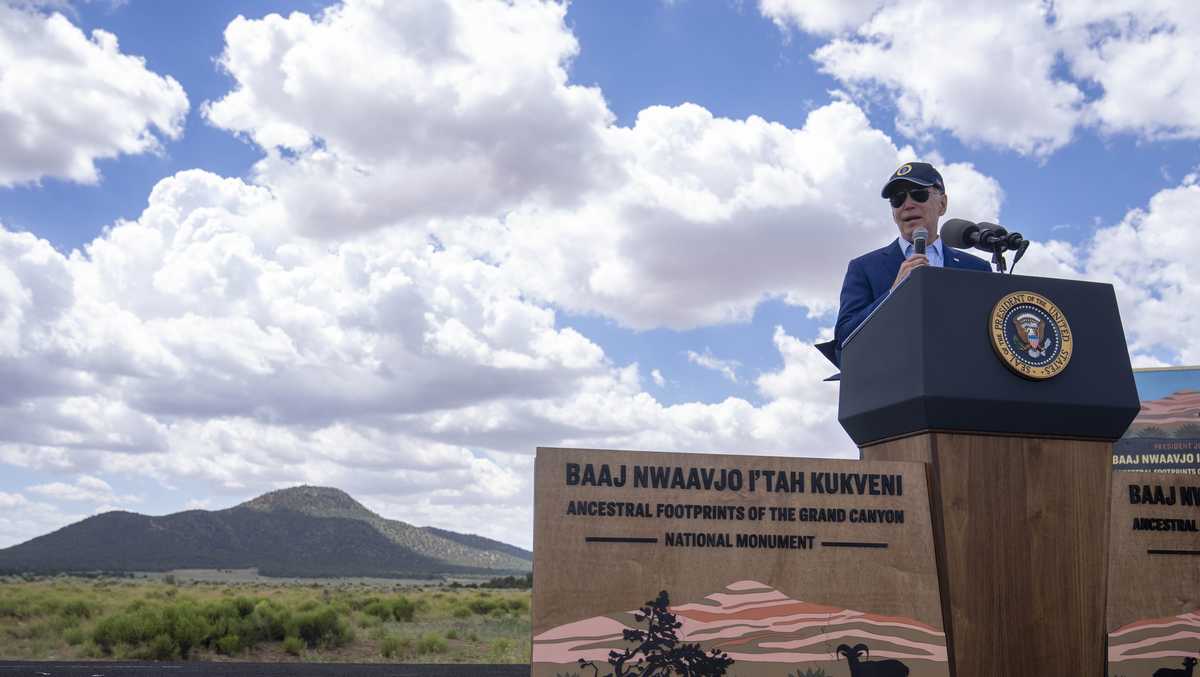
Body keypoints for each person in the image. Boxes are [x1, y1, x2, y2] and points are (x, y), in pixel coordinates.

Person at [832, 162, 991, 367]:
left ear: (942, 204)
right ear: (893, 213)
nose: (907, 204)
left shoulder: (976, 268)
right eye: (898, 199)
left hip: (961, 385)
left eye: (918, 194)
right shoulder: (864, 268)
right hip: (894, 387)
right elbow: (844, 341)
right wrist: (892, 294)